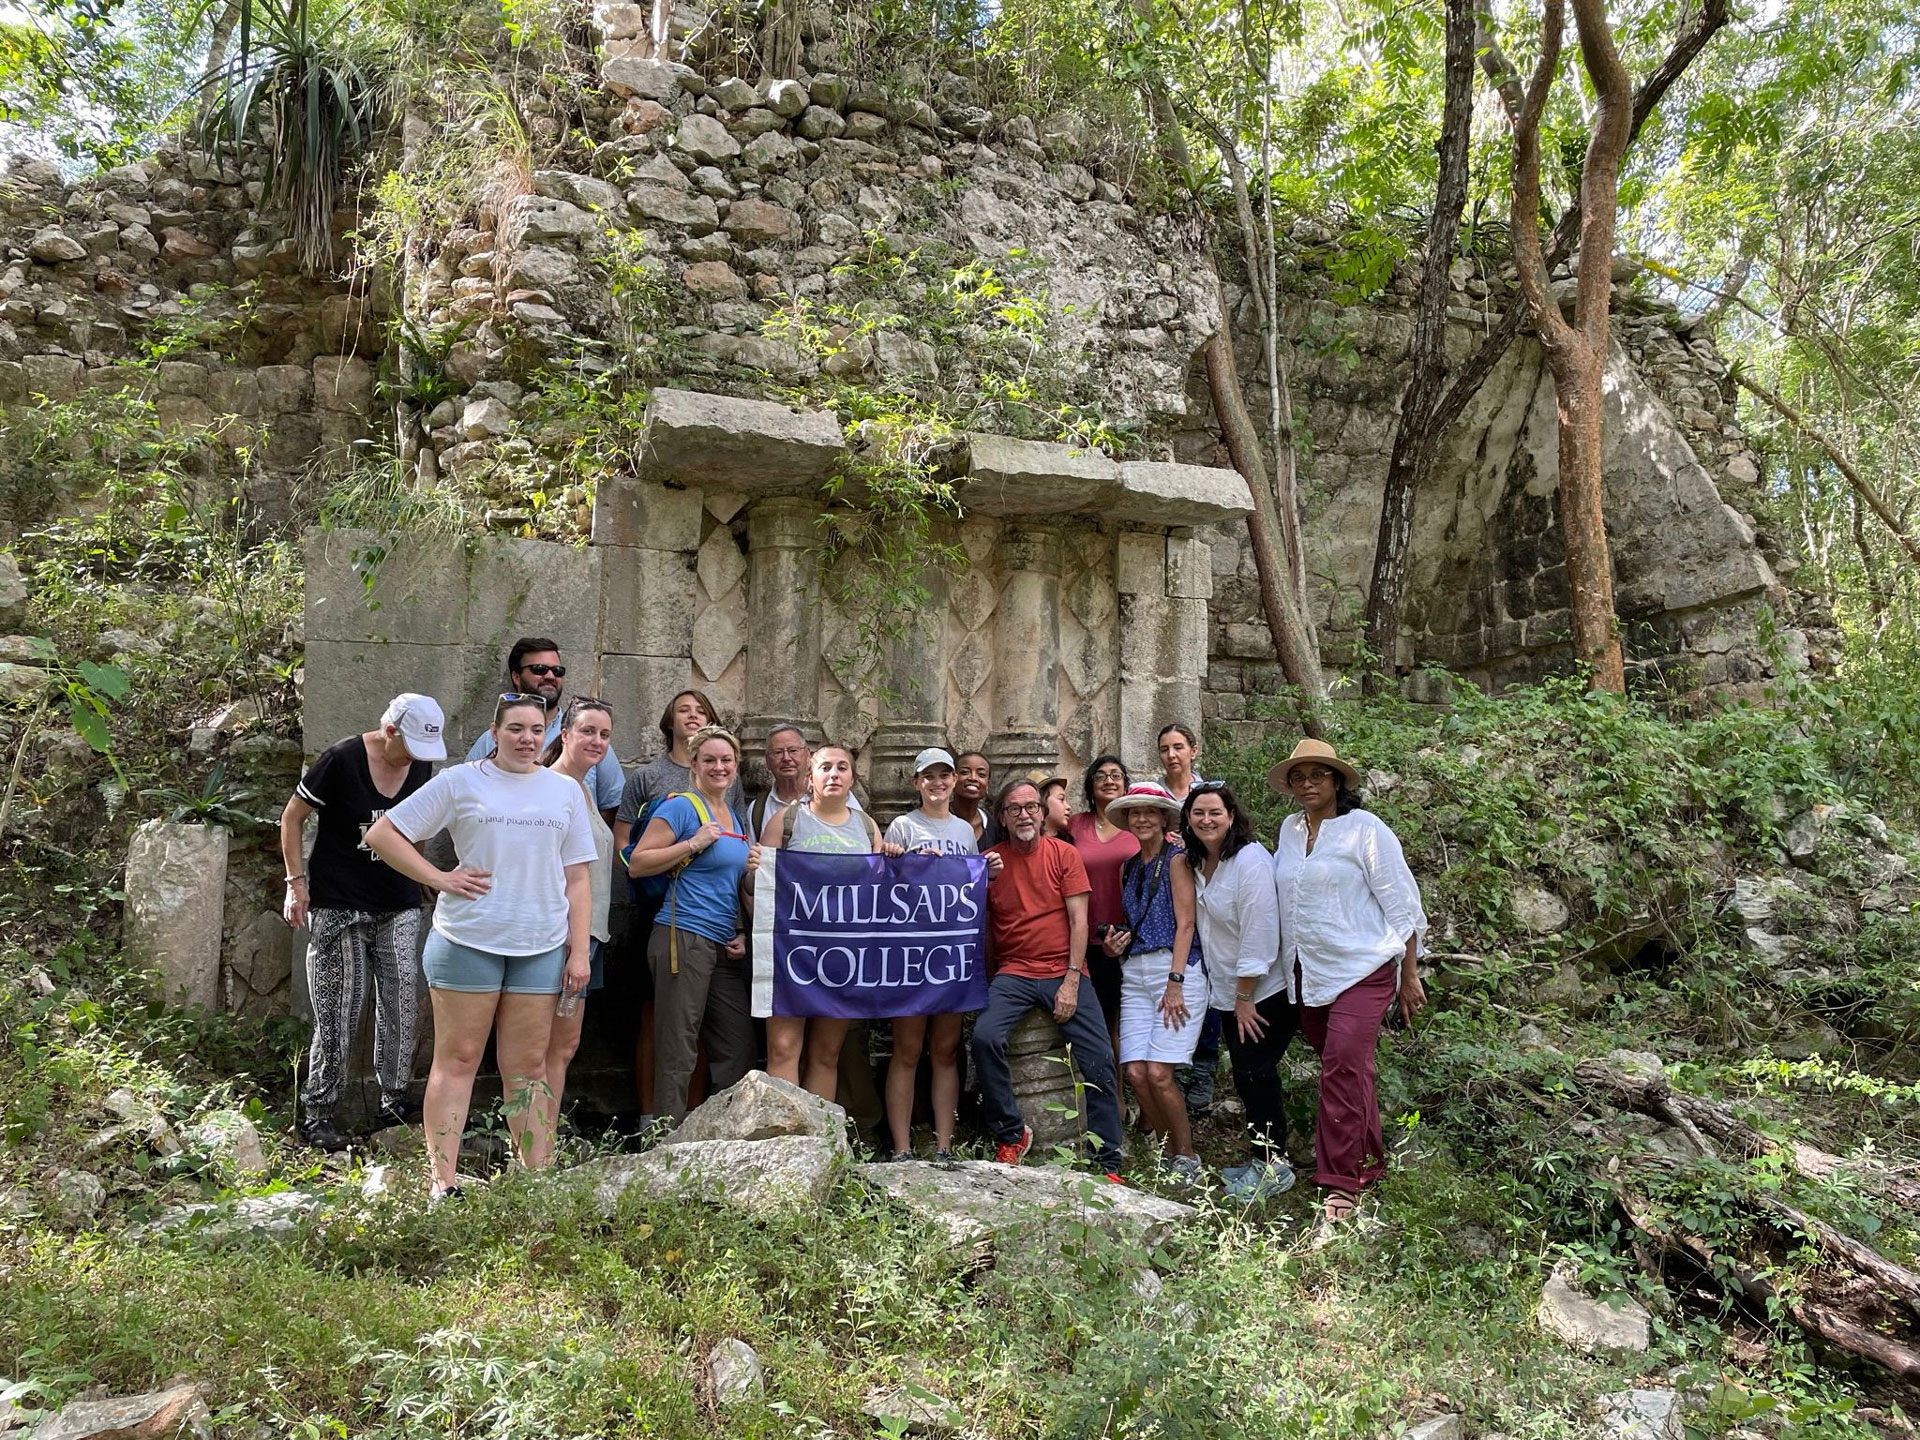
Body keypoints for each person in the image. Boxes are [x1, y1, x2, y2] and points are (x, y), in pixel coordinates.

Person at [366, 693, 595, 1201]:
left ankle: (535, 1181)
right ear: (495, 733)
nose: (527, 739)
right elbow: (383, 834)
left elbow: (578, 878)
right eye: (515, 728)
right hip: (467, 940)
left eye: (536, 729)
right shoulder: (461, 780)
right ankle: (442, 1183)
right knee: (459, 1061)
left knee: (528, 1068)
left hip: (540, 945)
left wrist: (578, 953)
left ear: (548, 734)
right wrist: (439, 878)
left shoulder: (565, 791)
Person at [1270, 738, 1428, 1229]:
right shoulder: (1289, 831)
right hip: (1309, 970)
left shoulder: (1366, 830)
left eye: (1318, 774)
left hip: (1363, 968)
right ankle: (1370, 1159)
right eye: (1299, 776)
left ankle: (1341, 1181)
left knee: (1341, 1065)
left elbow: (1401, 904)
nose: (1308, 783)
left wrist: (1410, 972)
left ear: (1337, 781)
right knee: (1349, 1068)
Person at [279, 693, 444, 1150]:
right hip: (339, 901)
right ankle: (319, 1113)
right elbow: (292, 817)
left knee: (402, 1003)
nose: (414, 758)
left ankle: (394, 1100)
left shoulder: (422, 765)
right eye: (408, 747)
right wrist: (296, 883)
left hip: (398, 902)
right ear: (389, 730)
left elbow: (419, 826)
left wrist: (421, 874)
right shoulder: (342, 759)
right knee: (338, 1010)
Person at [971, 780, 1126, 1180]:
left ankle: (1107, 1159)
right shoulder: (989, 862)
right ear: (1002, 819)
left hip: (1064, 968)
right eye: (1014, 809)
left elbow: (1080, 921)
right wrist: (979, 878)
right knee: (985, 1037)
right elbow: (962, 909)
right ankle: (1010, 1133)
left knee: (1099, 1059)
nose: (1024, 814)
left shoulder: (1064, 854)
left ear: (1042, 814)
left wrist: (1072, 981)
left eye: (1031, 808)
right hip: (1014, 973)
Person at [612, 688, 744, 1122]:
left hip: (724, 942)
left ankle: (724, 1135)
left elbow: (731, 880)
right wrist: (692, 843)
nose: (719, 767)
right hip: (681, 934)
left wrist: (742, 928)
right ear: (694, 765)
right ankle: (667, 1143)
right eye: (710, 760)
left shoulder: (733, 817)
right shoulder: (683, 807)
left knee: (737, 1044)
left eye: (726, 760)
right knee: (677, 1044)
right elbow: (637, 863)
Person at [881, 748, 1004, 1160]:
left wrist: (988, 872)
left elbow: (968, 890)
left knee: (947, 1050)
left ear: (953, 782)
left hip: (952, 955)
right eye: (928, 776)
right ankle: (901, 1147)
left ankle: (944, 1146)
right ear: (916, 783)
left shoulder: (964, 832)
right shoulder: (901, 826)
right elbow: (882, 888)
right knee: (907, 1050)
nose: (937, 783)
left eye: (944, 776)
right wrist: (901, 860)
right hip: (910, 954)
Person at [761, 745, 895, 1100]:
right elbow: (756, 887)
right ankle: (785, 1142)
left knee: (826, 1053)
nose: (833, 774)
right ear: (810, 777)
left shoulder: (867, 828)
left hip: (843, 957)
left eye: (842, 768)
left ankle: (821, 1143)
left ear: (852, 778)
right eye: (825, 767)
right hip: (792, 954)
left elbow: (881, 895)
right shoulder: (787, 821)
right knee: (784, 1048)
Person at [1184, 781, 1293, 1202]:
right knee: (1248, 1077)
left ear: (1231, 817)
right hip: (1230, 993)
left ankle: (1274, 1167)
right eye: (1198, 813)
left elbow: (1260, 933)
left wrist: (1245, 997)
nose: (1206, 820)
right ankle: (1261, 1159)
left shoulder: (1250, 860)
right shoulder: (1200, 863)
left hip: (1263, 993)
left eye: (1215, 812)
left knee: (1255, 1074)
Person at [1101, 782, 1202, 1179]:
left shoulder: (1177, 859)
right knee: (1136, 1074)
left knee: (1160, 1073)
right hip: (1137, 970)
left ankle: (1187, 1155)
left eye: (1150, 812)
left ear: (1164, 818)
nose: (1141, 819)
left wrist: (1175, 981)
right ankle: (1167, 1152)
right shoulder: (1129, 867)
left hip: (1173, 970)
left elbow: (1186, 922)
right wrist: (1115, 946)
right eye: (1134, 812)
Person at [538, 697, 617, 1140]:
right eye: (587, 731)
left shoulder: (581, 787)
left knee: (564, 1045)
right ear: (564, 734)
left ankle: (542, 1144)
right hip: (562, 937)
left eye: (604, 734)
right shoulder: (549, 786)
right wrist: (574, 944)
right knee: (542, 1047)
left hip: (589, 937)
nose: (597, 741)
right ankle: (535, 1149)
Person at [465, 639, 622, 818]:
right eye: (539, 669)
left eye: (557, 671)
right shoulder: (491, 740)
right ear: (516, 677)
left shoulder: (591, 740)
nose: (550, 676)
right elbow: (465, 799)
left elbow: (612, 808)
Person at [1158, 722, 1221, 1115]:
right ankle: (1177, 1063)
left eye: (1178, 747)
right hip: (1168, 891)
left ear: (1193, 750)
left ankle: (1205, 1065)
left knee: (1210, 973)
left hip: (1208, 883)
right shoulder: (1154, 794)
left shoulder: (1211, 790)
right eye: (1165, 749)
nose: (1172, 755)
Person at [1067, 754, 1137, 1064]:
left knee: (1127, 1023)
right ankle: (1115, 1102)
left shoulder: (1138, 823)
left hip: (1129, 938)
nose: (1109, 780)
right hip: (1087, 938)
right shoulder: (1075, 825)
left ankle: (1139, 1102)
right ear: (1090, 786)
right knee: (1100, 1024)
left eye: (1116, 775)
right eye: (1101, 776)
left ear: (1125, 784)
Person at [952, 751, 996, 846]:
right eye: (965, 772)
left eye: (981, 774)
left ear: (987, 783)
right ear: (952, 779)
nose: (973, 778)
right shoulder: (935, 820)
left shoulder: (994, 827)